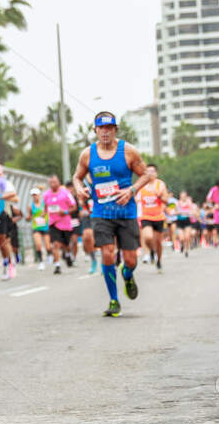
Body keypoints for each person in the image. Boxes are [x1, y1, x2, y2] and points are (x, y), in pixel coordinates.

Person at [71, 111, 148, 317]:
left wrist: (131, 190)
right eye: (101, 128)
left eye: (109, 128)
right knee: (107, 253)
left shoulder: (128, 151)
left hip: (126, 211)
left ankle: (127, 274)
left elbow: (146, 174)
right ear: (95, 130)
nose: (105, 132)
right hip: (101, 212)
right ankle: (114, 300)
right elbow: (77, 177)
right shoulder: (88, 154)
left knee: (130, 259)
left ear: (115, 130)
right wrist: (79, 188)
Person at [135, 163, 170, 273]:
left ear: (156, 173)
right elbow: (136, 199)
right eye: (148, 171)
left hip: (159, 217)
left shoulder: (160, 185)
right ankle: (151, 251)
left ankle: (158, 261)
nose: (150, 173)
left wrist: (159, 195)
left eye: (152, 171)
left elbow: (166, 200)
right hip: (146, 216)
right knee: (148, 237)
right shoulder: (141, 185)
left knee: (158, 242)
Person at [43, 174, 77, 273]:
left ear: (59, 182)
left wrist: (65, 212)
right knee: (55, 244)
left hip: (65, 223)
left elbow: (74, 207)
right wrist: (44, 213)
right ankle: (57, 265)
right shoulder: (46, 195)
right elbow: (45, 206)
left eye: (54, 182)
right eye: (51, 182)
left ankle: (67, 254)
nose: (52, 184)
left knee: (66, 245)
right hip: (53, 223)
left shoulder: (65, 193)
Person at [28, 188, 50, 269]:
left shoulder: (44, 204)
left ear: (39, 195)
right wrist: (28, 218)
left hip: (45, 227)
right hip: (36, 227)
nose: (34, 197)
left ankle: (49, 255)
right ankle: (41, 262)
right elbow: (29, 217)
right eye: (33, 195)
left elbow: (48, 211)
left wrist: (44, 214)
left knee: (47, 246)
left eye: (36, 195)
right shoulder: (30, 206)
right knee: (38, 245)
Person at [172, 191, 196, 257]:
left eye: (184, 196)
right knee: (182, 238)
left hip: (187, 221)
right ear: (180, 197)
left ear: (186, 196)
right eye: (182, 196)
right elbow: (173, 212)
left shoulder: (189, 203)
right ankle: (182, 245)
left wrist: (190, 213)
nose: (183, 198)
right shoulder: (177, 203)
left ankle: (186, 250)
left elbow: (193, 211)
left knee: (187, 236)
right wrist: (178, 213)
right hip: (179, 221)